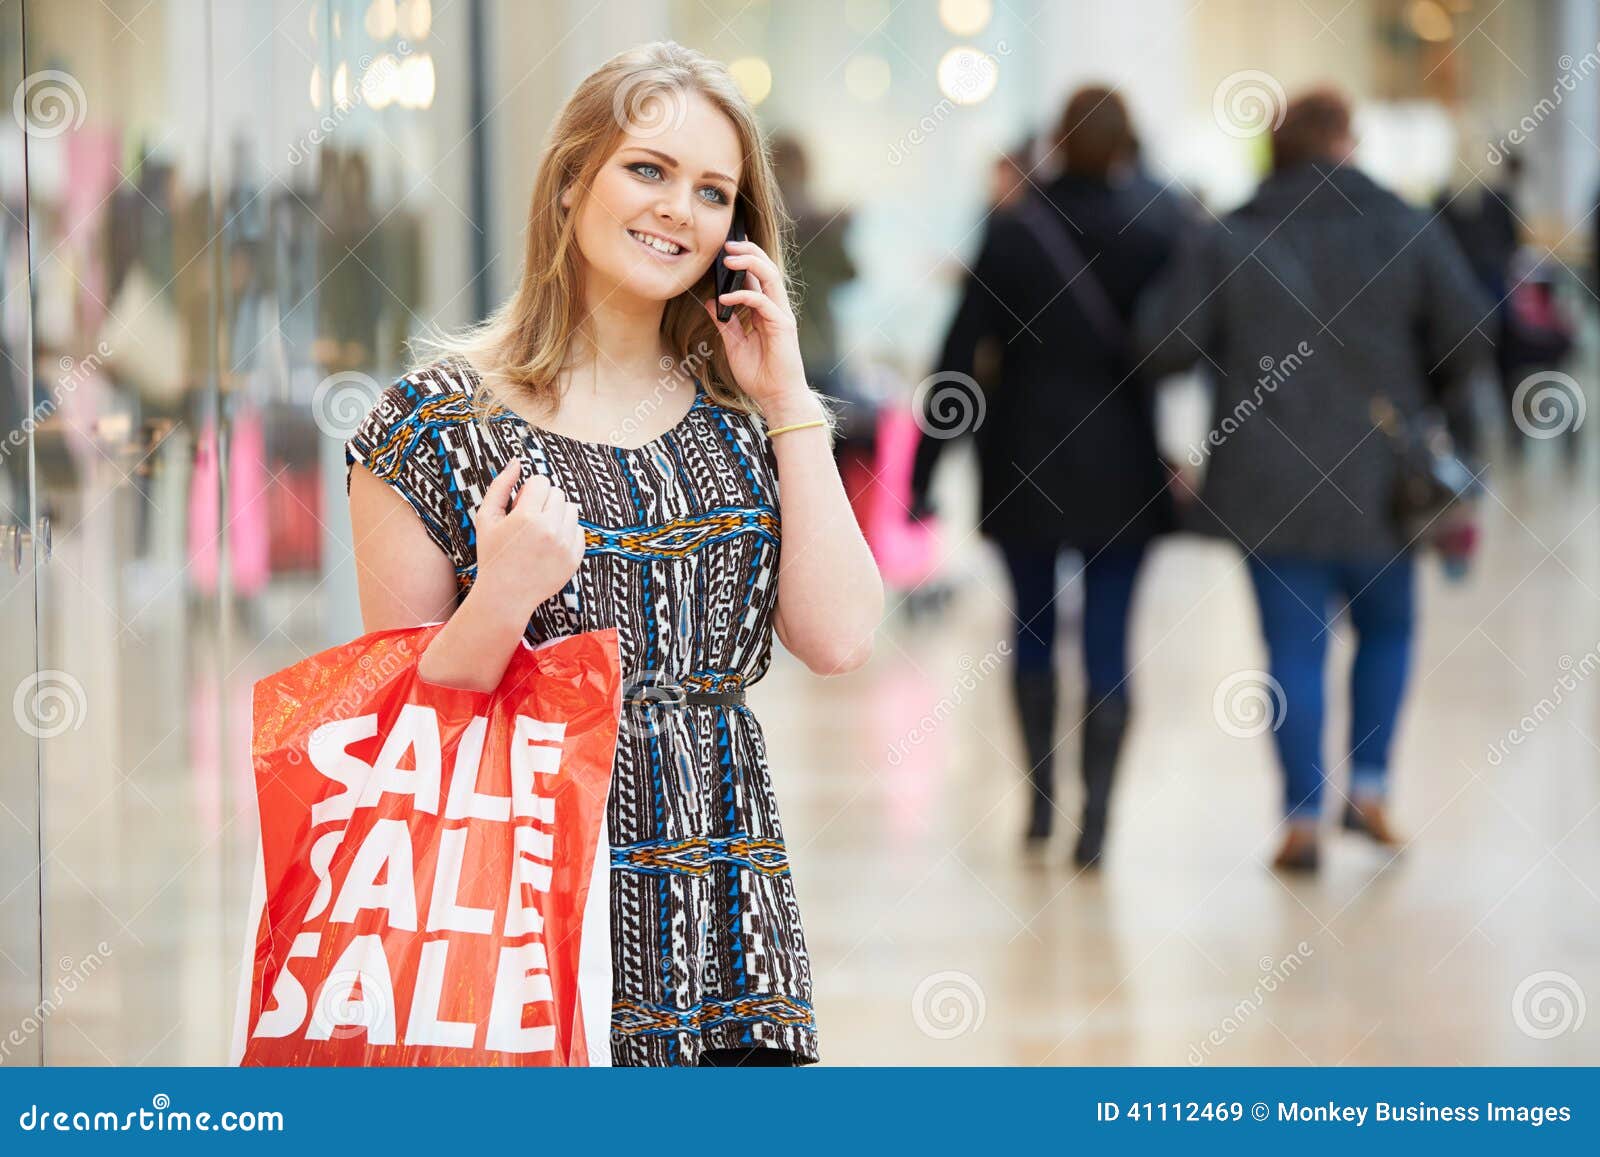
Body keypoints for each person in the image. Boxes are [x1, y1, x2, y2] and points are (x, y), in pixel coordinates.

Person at [345, 41, 884, 1066]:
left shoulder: (741, 418)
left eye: (713, 190)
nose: (680, 208)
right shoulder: (432, 425)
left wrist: (786, 398)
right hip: (519, 912)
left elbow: (843, 634)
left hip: (727, 913)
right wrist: (499, 594)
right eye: (648, 169)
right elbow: (396, 727)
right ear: (568, 184)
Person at [1135, 88, 1490, 871]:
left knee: (1293, 648)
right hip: (1385, 479)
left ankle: (1300, 816)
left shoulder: (1230, 234)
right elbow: (1467, 338)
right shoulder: (1405, 226)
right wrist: (1422, 400)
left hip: (1267, 480)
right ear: (1345, 144)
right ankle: (1368, 790)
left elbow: (1165, 345)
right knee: (1388, 630)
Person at [909, 86, 1186, 866]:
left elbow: (959, 356)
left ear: (1057, 139)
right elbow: (1193, 340)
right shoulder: (1159, 226)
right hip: (1125, 462)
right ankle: (1096, 824)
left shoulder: (1015, 228)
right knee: (1108, 637)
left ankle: (1039, 802)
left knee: (1031, 626)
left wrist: (925, 469)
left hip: (1023, 456)